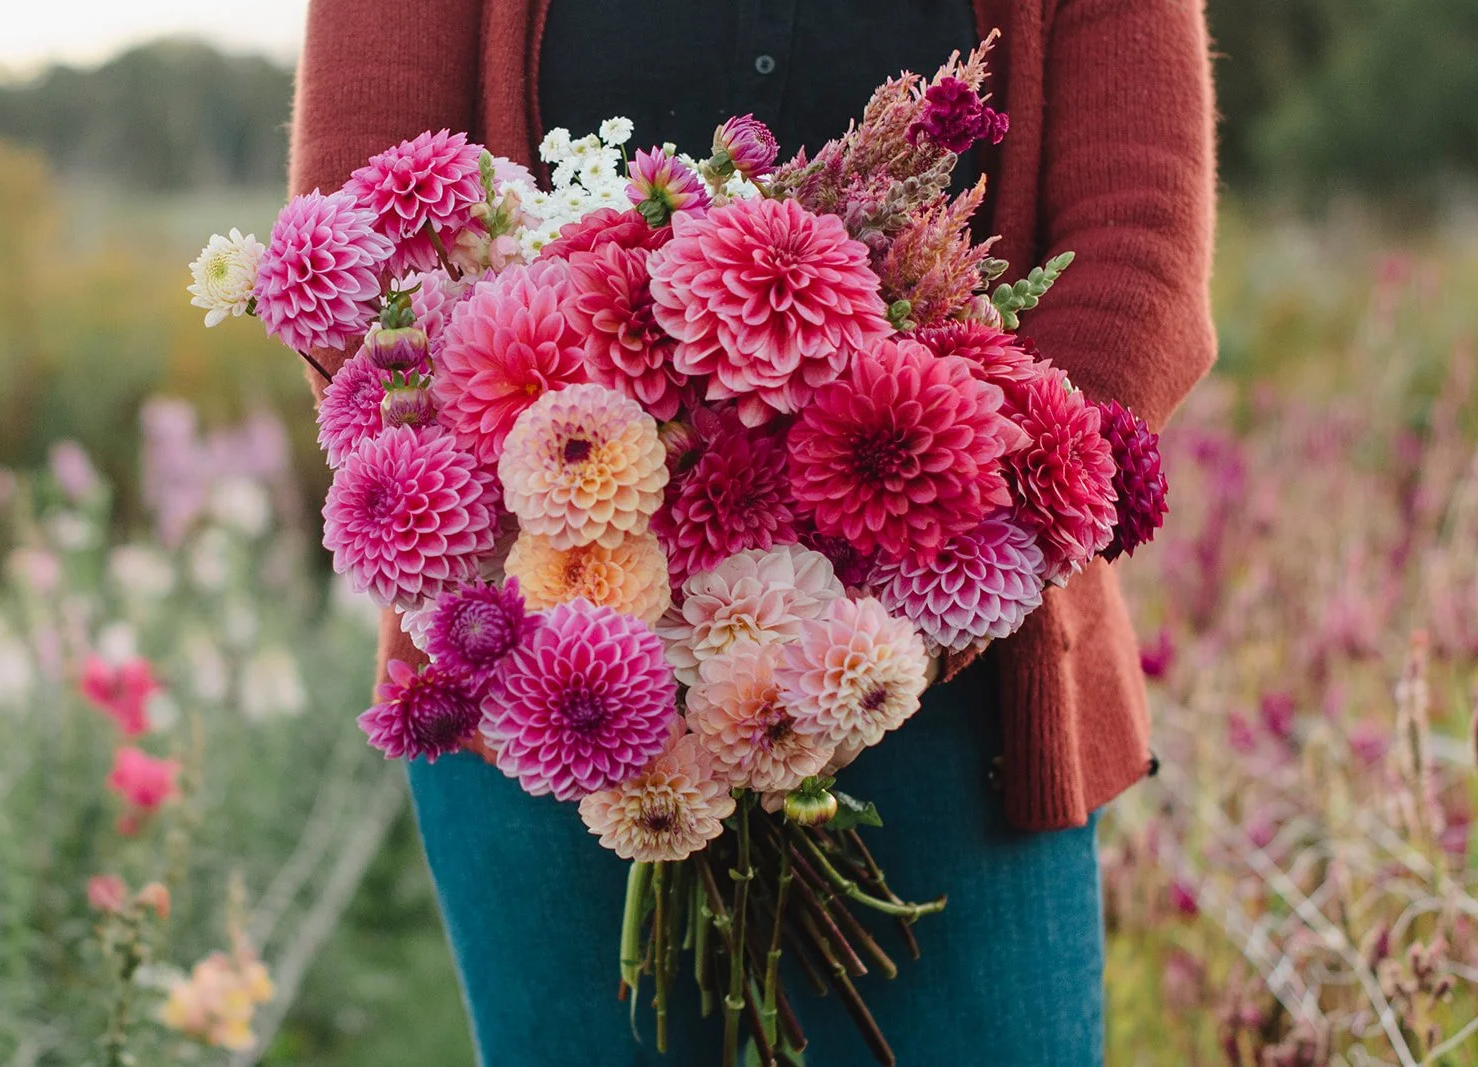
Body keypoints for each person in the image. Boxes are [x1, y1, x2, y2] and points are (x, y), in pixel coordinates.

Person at [288, 1, 1216, 1063]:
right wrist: (614, 564)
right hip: (551, 689)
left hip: (947, 694)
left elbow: (1138, 261)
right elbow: (359, 248)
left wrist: (910, 566)